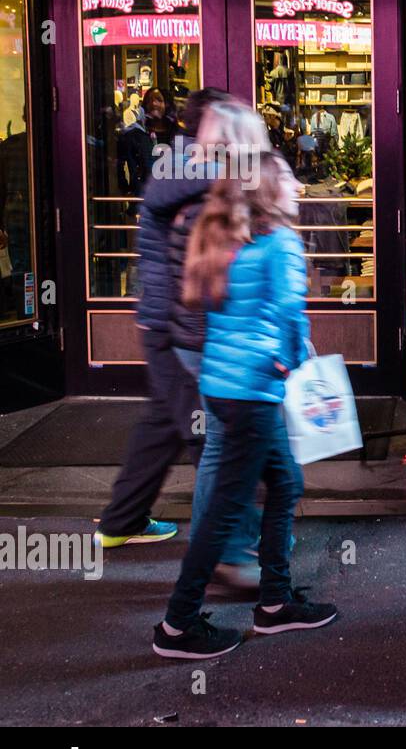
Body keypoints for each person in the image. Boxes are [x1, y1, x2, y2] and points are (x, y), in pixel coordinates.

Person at [154, 150, 335, 659]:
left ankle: (275, 603)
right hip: (255, 391)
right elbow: (290, 318)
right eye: (290, 180)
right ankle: (177, 625)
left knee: (285, 483)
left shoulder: (229, 239)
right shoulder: (281, 244)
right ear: (269, 191)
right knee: (224, 513)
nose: (299, 187)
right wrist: (291, 362)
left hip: (224, 386)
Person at [94, 88, 233, 550]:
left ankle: (121, 521)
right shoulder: (181, 167)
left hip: (166, 323)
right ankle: (230, 544)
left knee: (164, 426)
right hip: (169, 327)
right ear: (207, 124)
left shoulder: (183, 165)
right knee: (204, 432)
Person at [170, 98, 276, 590]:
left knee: (223, 447)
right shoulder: (224, 202)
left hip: (205, 344)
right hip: (222, 348)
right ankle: (231, 554)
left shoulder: (201, 195)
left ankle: (223, 548)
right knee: (236, 450)